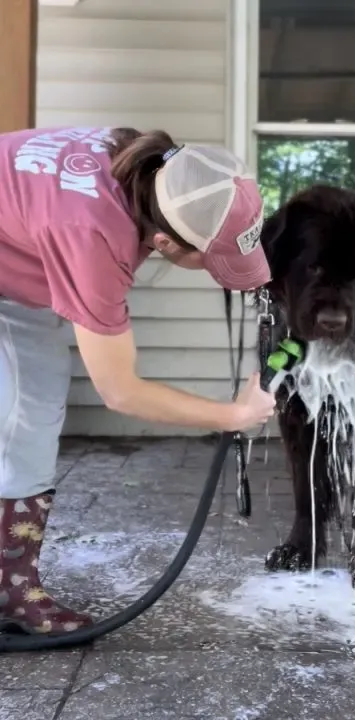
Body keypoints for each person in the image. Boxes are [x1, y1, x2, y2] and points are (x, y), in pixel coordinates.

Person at [0, 125, 276, 635]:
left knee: (32, 408)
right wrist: (235, 414)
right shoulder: (93, 233)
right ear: (165, 242)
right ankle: (10, 591)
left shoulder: (147, 162)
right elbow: (120, 390)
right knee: (19, 416)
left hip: (14, 268)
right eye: (209, 261)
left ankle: (9, 585)